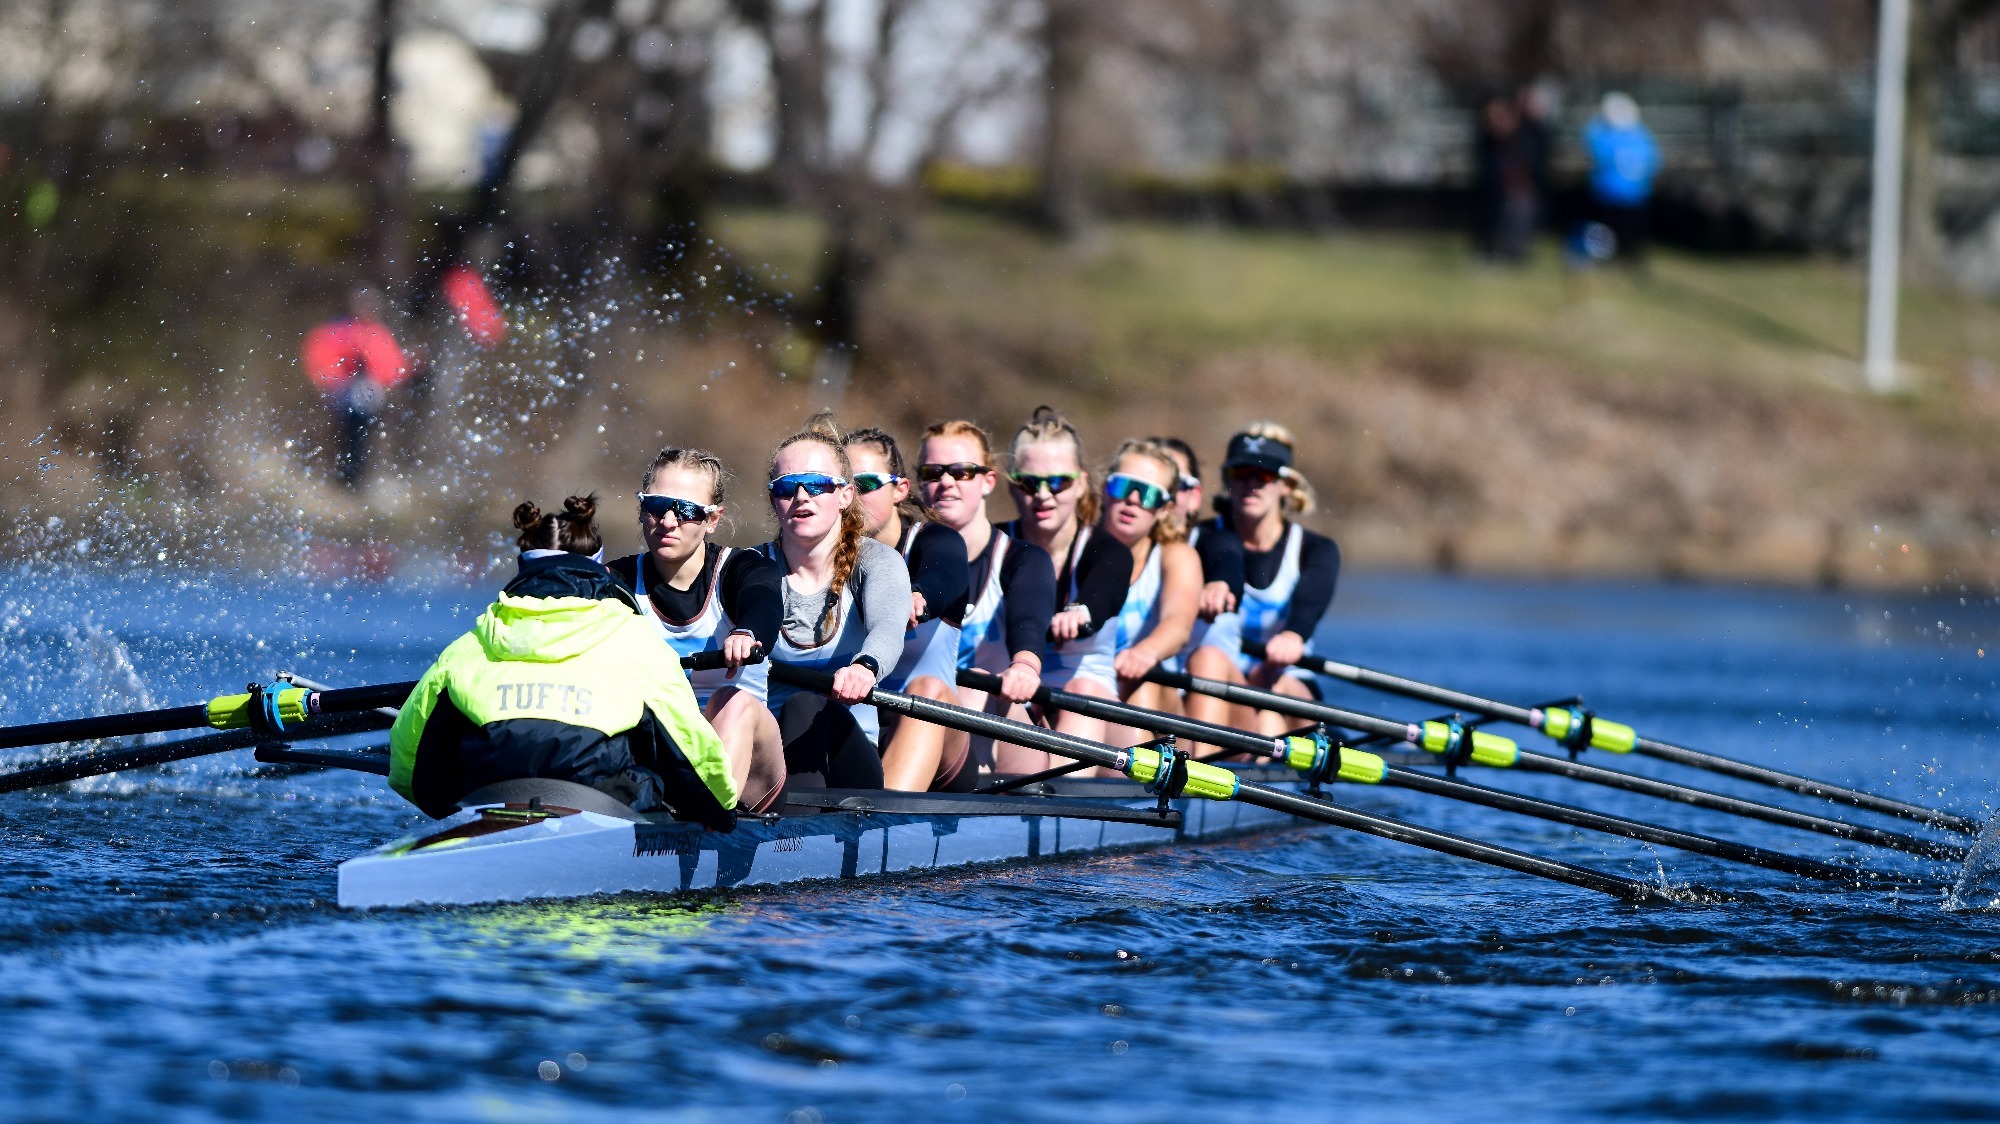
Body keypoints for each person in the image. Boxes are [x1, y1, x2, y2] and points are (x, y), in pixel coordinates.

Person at [387, 495, 737, 826]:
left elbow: (407, 762)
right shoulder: (639, 642)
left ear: (523, 567)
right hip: (605, 806)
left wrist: (444, 810)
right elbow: (693, 753)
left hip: (488, 799)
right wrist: (719, 815)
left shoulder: (468, 646)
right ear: (598, 569)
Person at [606, 448, 787, 813]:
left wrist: (747, 633)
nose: (668, 522)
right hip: (663, 752)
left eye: (687, 510)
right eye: (657, 506)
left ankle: (712, 817)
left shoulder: (742, 569)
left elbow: (763, 601)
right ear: (643, 508)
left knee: (730, 701)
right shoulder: (616, 580)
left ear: (713, 519)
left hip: (752, 767)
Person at [760, 413, 914, 789]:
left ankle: (791, 841)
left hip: (848, 760)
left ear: (845, 496)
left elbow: (888, 631)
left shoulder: (876, 562)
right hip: (762, 750)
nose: (801, 497)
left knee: (803, 705)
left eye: (815, 485)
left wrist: (865, 667)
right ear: (773, 499)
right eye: (787, 487)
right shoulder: (749, 567)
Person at [915, 419, 1057, 774]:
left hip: (999, 721)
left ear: (988, 481)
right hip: (917, 717)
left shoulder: (1023, 558)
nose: (945, 482)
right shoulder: (898, 555)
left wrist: (1025, 666)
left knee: (976, 680)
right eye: (933, 472)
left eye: (962, 472)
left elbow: (1029, 621)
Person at [1183, 423, 1342, 738]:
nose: (1251, 484)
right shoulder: (1198, 538)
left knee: (1278, 688)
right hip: (1210, 676)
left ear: (1286, 485)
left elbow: (1309, 607)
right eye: (1240, 473)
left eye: (1264, 476)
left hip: (1283, 677)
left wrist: (1293, 635)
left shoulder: (1316, 550)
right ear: (1228, 480)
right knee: (1213, 664)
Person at [845, 427, 976, 791]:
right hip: (857, 734)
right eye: (843, 485)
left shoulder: (935, 541)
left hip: (935, 734)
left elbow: (943, 575)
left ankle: (883, 826)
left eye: (866, 484)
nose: (853, 499)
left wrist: (917, 596)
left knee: (928, 687)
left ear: (900, 490)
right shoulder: (817, 558)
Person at [999, 406, 1132, 760]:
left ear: (1081, 483)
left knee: (1081, 690)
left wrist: (1083, 611)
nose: (1043, 494)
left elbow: (1103, 590)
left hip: (1090, 703)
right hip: (1013, 693)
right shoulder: (995, 544)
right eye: (1029, 482)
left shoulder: (1108, 551)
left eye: (1058, 482)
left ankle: (1065, 802)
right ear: (1012, 486)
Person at [1092, 439, 1203, 746]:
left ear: (1165, 509)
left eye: (1148, 493)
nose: (1133, 500)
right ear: (1105, 489)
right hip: (1084, 692)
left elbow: (1178, 625)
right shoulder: (1074, 546)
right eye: (1124, 487)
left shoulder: (1175, 556)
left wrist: (1145, 652)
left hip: (1147, 692)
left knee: (1143, 679)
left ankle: (1139, 784)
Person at [300, 285, 412, 488]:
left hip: (370, 397)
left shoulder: (379, 333)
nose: (369, 309)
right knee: (345, 439)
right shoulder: (339, 329)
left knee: (363, 441)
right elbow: (321, 358)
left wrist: (407, 368)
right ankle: (342, 480)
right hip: (343, 396)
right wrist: (332, 383)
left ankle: (357, 482)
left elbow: (393, 368)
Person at [1582, 91, 1659, 267]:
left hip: (1610, 193)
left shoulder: (1606, 135)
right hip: (1635, 194)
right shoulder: (1642, 136)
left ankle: (1610, 258)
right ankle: (1629, 257)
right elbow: (1653, 161)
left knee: (1607, 230)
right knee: (1629, 230)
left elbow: (1595, 150)